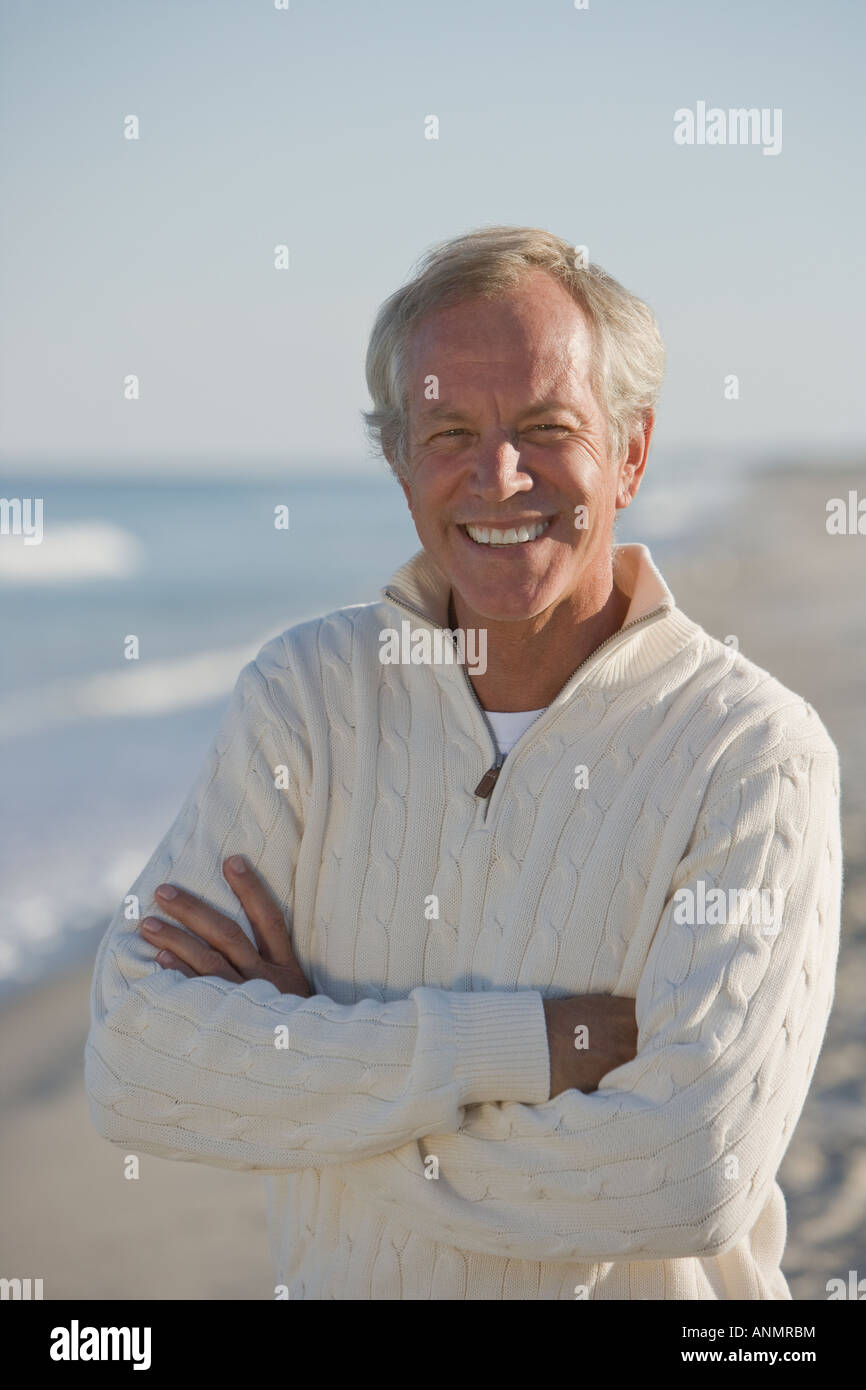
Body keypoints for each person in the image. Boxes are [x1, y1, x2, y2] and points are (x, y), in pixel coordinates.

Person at [85, 225, 841, 1300]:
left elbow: (688, 1171)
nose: (497, 476)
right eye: (448, 430)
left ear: (629, 451)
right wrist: (530, 1044)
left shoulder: (752, 754)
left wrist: (314, 1068)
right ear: (396, 460)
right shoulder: (303, 698)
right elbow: (133, 1068)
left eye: (545, 425)